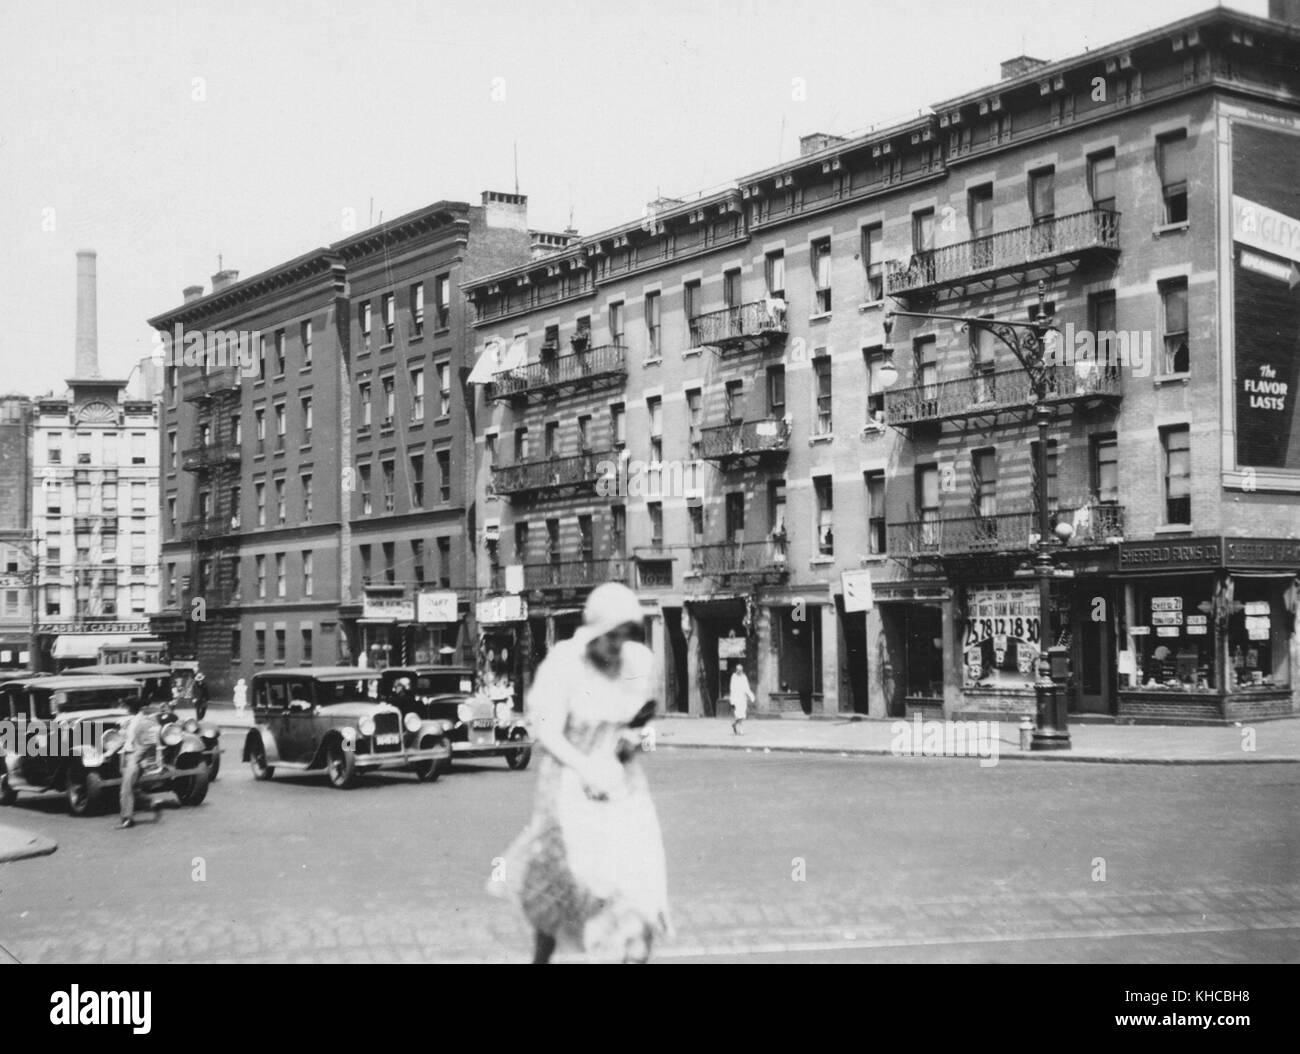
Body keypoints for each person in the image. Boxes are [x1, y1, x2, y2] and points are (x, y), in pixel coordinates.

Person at [490, 582, 669, 964]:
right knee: (566, 896)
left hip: (623, 789)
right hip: (569, 786)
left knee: (632, 893)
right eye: (610, 636)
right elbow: (546, 733)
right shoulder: (565, 663)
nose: (617, 646)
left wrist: (634, 739)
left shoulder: (636, 663)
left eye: (624, 636)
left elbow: (644, 720)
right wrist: (585, 767)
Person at [117, 697, 159, 830]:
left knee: (126, 789)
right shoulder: (132, 720)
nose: (125, 709)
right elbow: (126, 739)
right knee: (131, 788)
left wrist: (136, 757)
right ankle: (148, 802)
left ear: (131, 707)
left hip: (134, 759)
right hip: (127, 757)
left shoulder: (144, 722)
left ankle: (127, 819)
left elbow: (148, 743)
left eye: (126, 706)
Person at [729, 662, 754, 735]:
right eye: (738, 669)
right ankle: (740, 729)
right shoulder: (733, 677)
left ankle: (734, 724)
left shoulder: (744, 677)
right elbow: (732, 688)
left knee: (742, 715)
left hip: (743, 698)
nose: (739, 671)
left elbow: (747, 687)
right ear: (736, 670)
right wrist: (732, 700)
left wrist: (751, 696)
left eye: (740, 669)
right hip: (736, 698)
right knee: (738, 714)